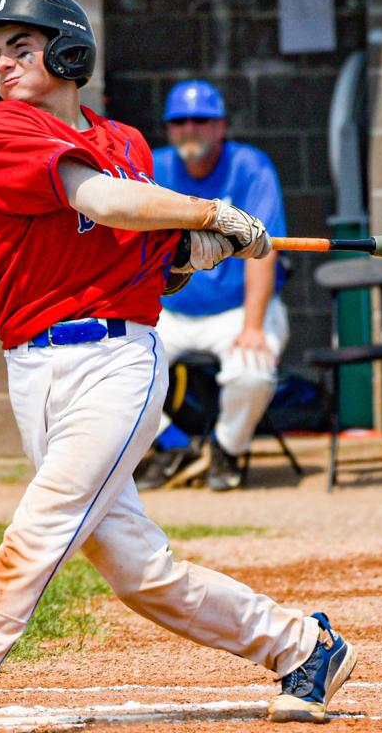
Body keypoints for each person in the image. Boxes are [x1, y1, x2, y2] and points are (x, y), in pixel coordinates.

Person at [0, 0, 356, 733]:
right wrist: (210, 216)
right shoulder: (2, 131)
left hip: (114, 367)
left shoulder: (130, 142)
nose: (4, 64)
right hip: (32, 372)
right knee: (141, 574)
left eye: (22, 47)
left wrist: (190, 255)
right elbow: (102, 203)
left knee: (37, 536)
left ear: (71, 52)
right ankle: (302, 646)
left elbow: (135, 255)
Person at [134, 80, 289, 492]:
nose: (190, 129)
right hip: (170, 309)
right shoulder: (154, 167)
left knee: (252, 372)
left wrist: (253, 326)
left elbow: (265, 251)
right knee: (112, 370)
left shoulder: (250, 166)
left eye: (201, 120)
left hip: (239, 308)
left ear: (220, 126)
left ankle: (227, 449)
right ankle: (172, 446)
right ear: (169, 129)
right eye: (179, 121)